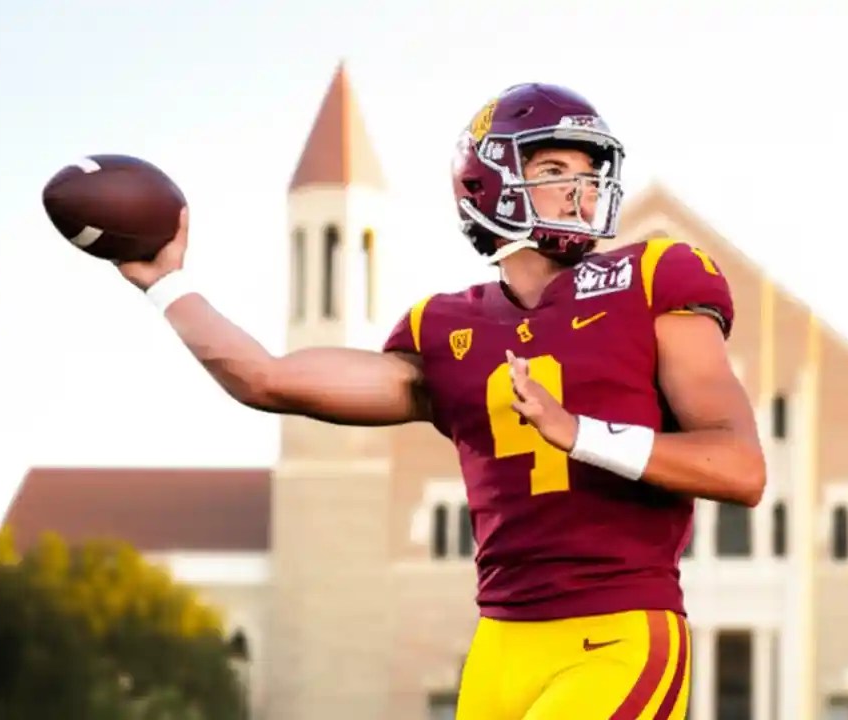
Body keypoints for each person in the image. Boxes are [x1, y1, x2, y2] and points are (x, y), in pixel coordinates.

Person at [117, 82, 765, 719]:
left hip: (617, 633)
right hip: (499, 647)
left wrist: (581, 433)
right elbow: (265, 379)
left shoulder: (652, 278)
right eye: (554, 169)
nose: (582, 189)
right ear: (491, 184)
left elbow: (740, 467)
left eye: (591, 173)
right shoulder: (445, 330)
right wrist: (165, 286)